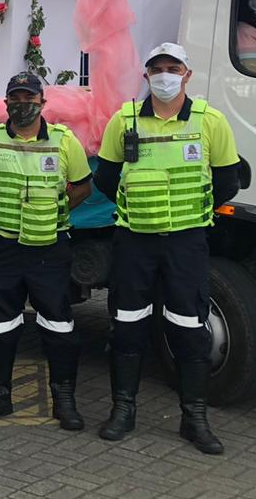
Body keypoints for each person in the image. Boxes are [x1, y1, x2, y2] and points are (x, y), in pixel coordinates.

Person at [93, 43, 242, 455]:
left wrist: (186, 213)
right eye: (156, 68)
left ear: (187, 75)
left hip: (186, 242)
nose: (164, 75)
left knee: (190, 327)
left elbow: (228, 181)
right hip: (134, 241)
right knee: (126, 324)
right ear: (145, 75)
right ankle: (123, 411)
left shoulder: (211, 121)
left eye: (172, 68)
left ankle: (194, 418)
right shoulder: (123, 121)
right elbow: (106, 178)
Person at [0, 72, 92, 430]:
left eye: (29, 98)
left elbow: (82, 186)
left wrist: (59, 212)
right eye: (16, 99)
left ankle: (63, 399)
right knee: (0, 325)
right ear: (6, 103)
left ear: (42, 103)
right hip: (3, 247)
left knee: (59, 325)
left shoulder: (65, 142)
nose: (23, 105)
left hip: (49, 249)